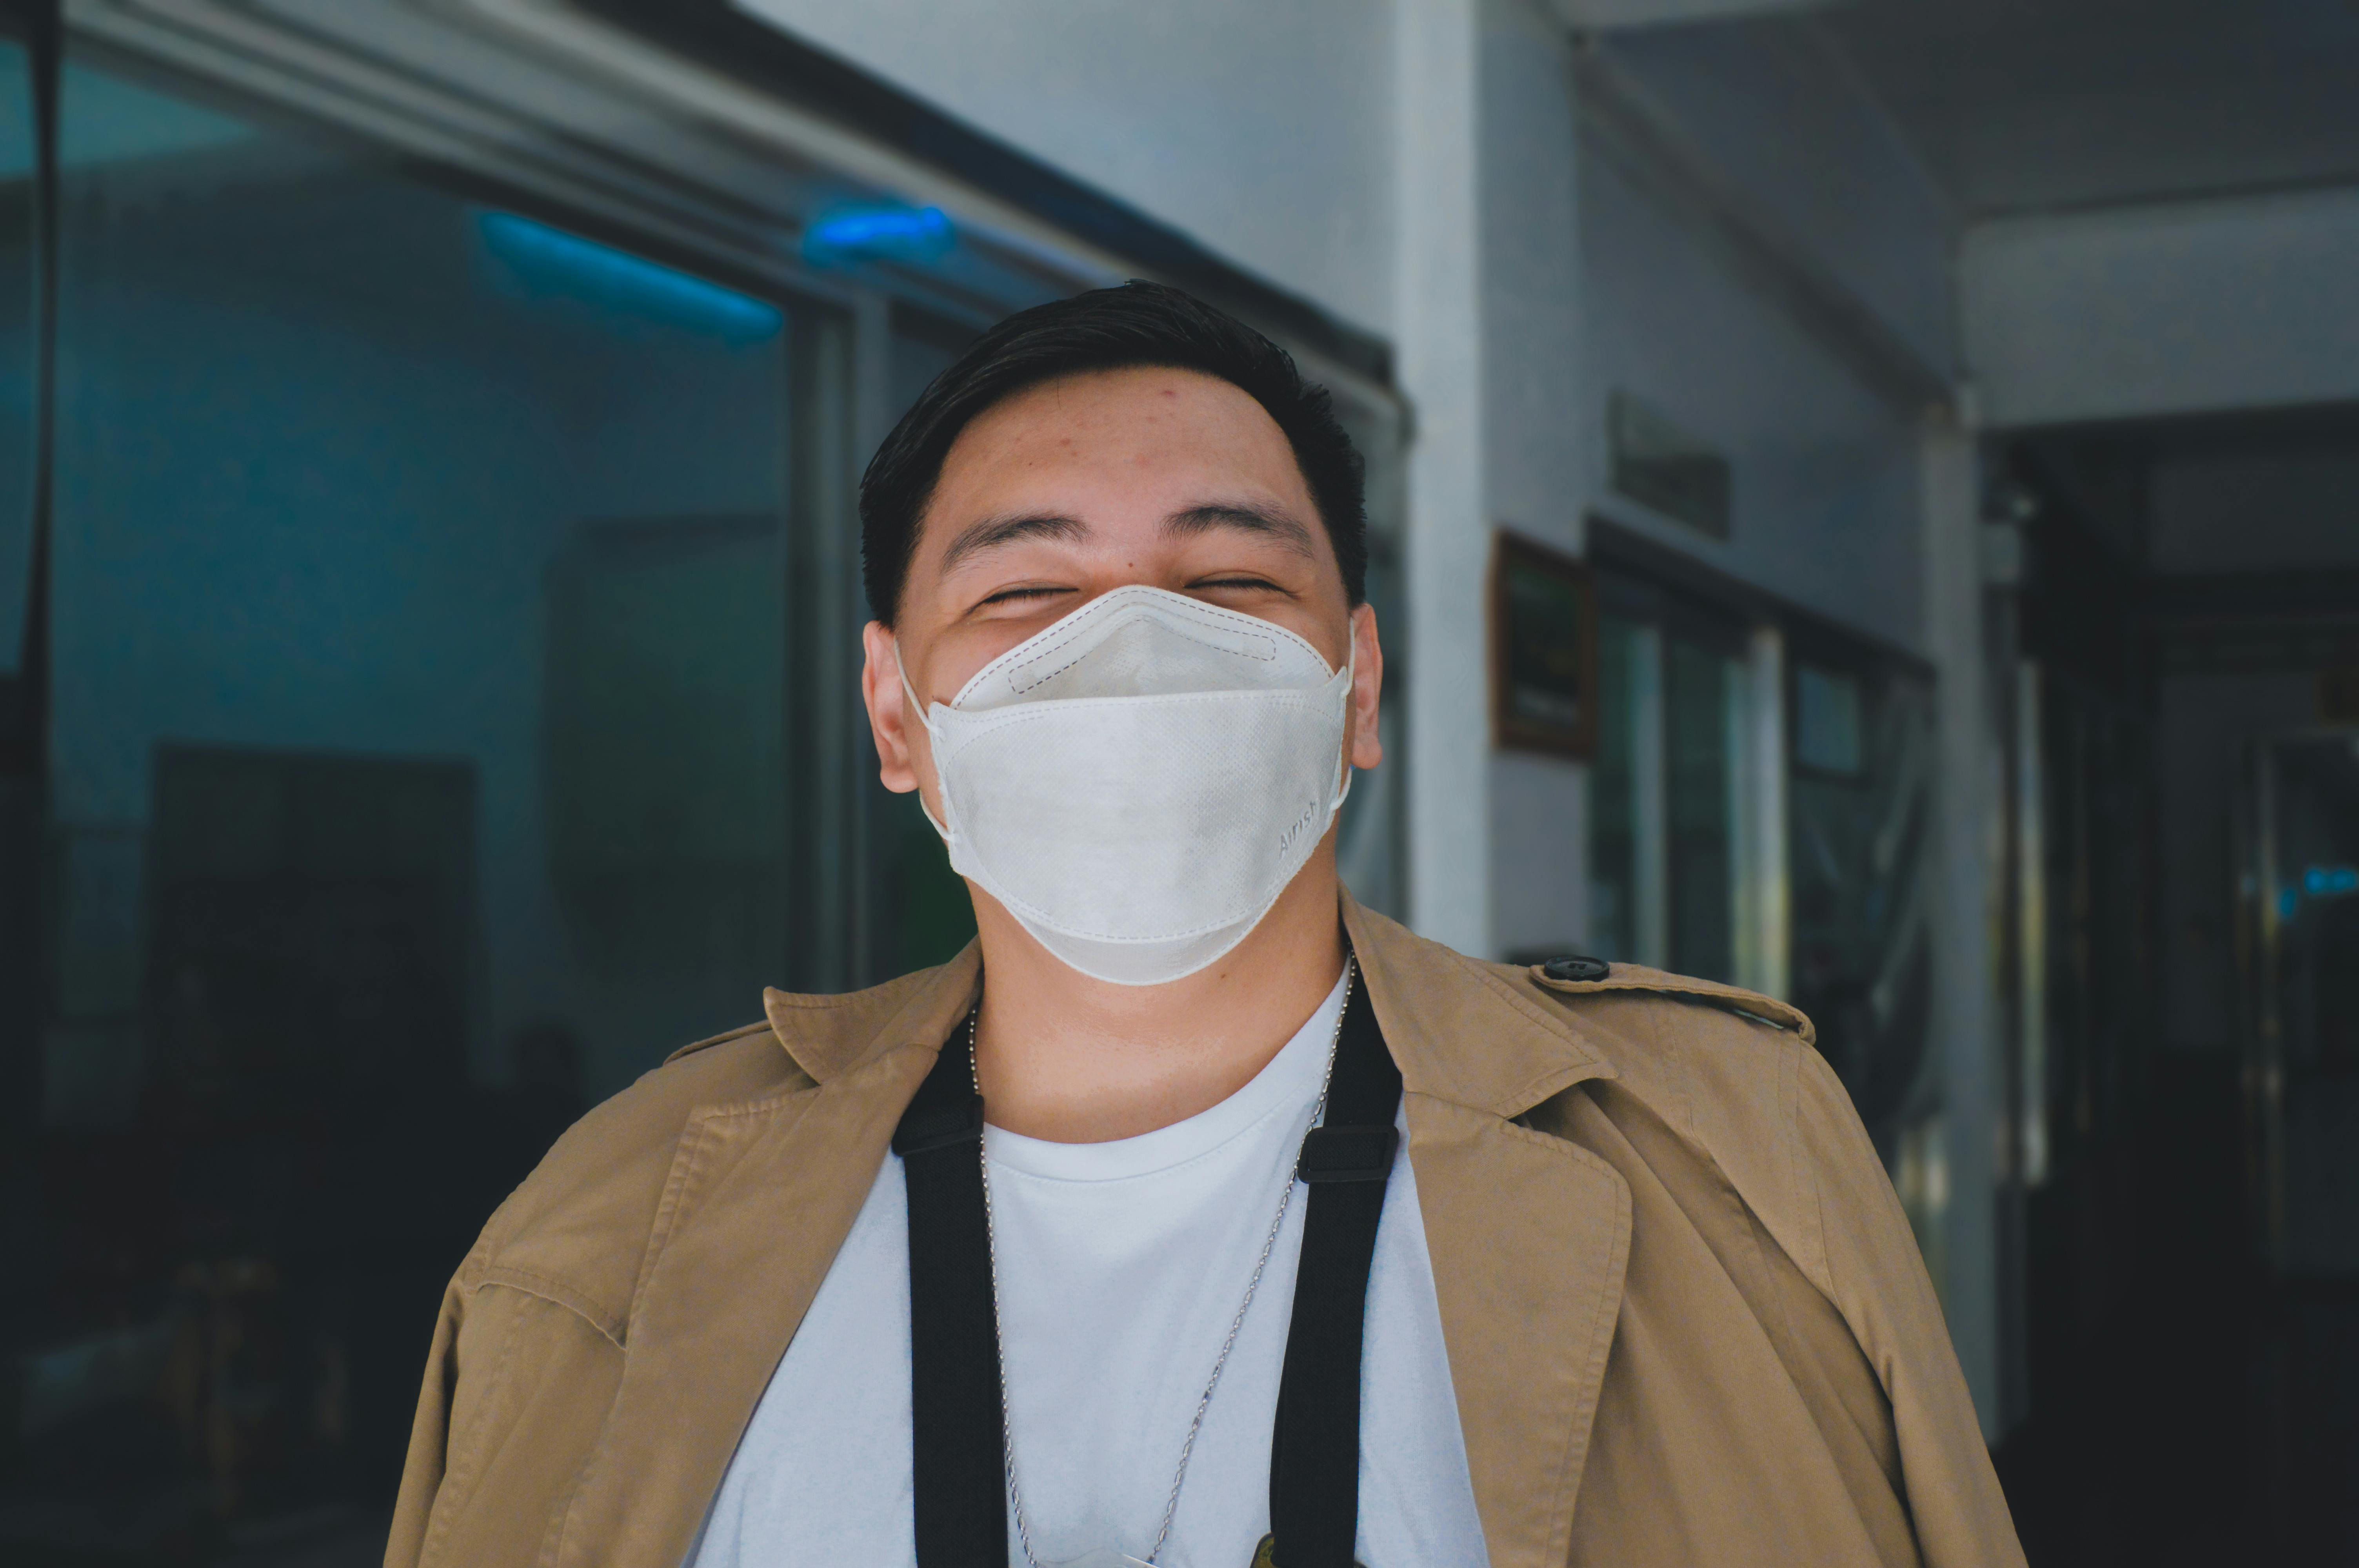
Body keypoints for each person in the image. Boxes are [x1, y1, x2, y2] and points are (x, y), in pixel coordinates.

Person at [385, 282, 2024, 1568]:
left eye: (1230, 584)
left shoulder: (1733, 1155)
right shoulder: (591, 1240)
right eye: (1026, 594)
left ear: (1355, 689)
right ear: (898, 718)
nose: (1135, 652)